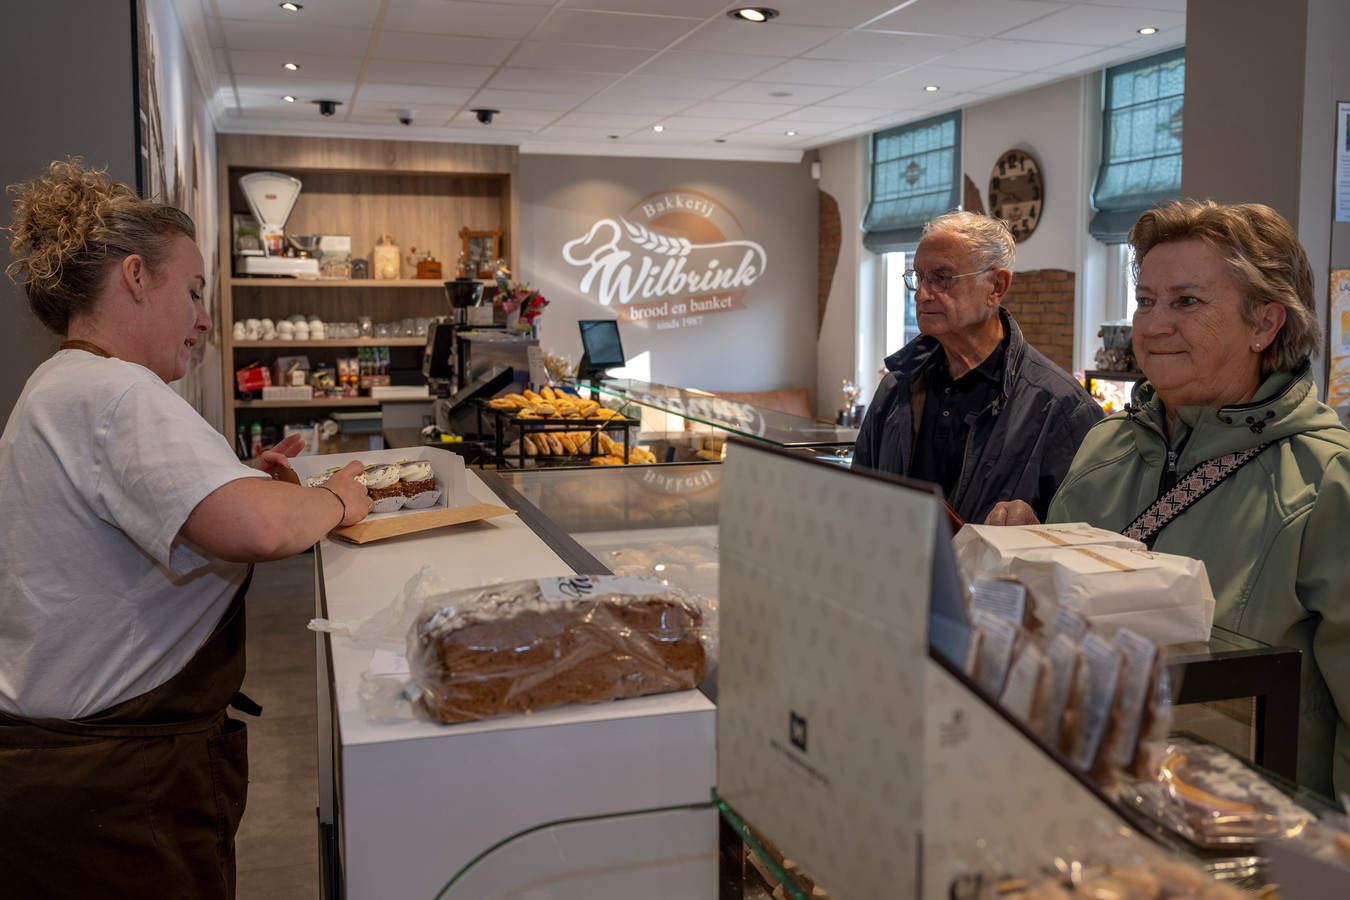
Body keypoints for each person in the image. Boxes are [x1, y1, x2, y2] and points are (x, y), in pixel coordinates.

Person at [0, 159, 373, 898]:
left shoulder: (63, 384)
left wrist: (237, 479)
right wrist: (338, 498)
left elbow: (164, 513)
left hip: (71, 771)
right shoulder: (115, 391)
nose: (203, 321)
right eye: (195, 292)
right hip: (112, 786)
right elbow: (255, 528)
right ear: (136, 277)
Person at [986, 199, 1350, 798]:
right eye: (1145, 301)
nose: (1152, 326)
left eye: (1186, 302)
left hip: (1241, 831)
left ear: (1265, 325)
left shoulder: (1327, 481)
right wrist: (1027, 556)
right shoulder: (1105, 446)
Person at [852, 211, 1103, 523]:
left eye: (942, 278)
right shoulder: (896, 386)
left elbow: (1089, 536)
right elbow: (857, 501)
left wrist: (1037, 531)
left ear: (996, 286)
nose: (922, 295)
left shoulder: (1061, 407)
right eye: (919, 278)